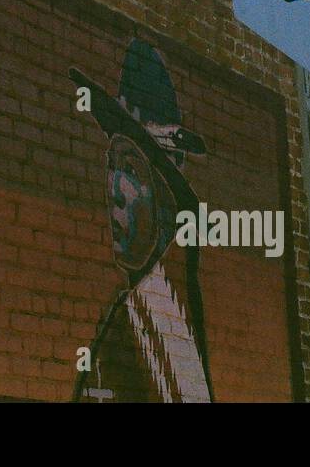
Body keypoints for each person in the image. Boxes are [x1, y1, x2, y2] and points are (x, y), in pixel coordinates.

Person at [70, 40, 213, 402]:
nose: (115, 188)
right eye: (113, 165)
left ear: (167, 183)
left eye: (131, 169)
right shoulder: (126, 334)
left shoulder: (169, 313)